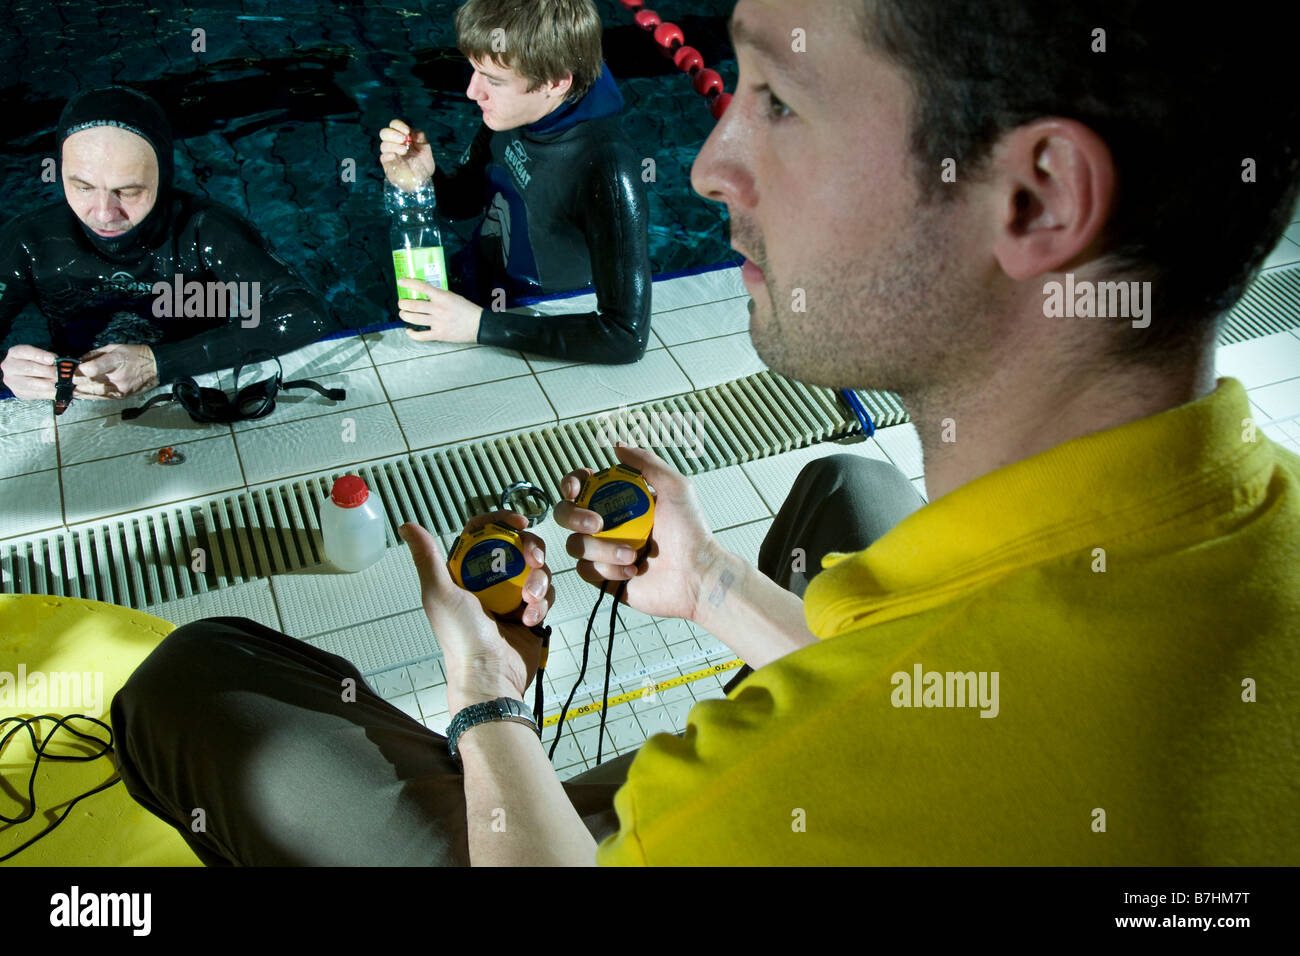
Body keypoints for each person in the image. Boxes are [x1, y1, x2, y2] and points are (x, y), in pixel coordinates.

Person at [110, 0, 1300, 865]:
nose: (709, 162)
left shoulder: (790, 802)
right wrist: (713, 582)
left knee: (194, 680)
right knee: (846, 484)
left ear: (1035, 197)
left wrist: (483, 692)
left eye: (778, 101)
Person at [0, 86, 338, 405]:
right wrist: (7, 370)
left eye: (128, 191)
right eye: (83, 187)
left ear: (163, 178)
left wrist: (158, 364)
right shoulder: (30, 242)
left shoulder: (205, 231)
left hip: (194, 381)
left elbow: (304, 312)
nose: (103, 214)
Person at [376, 0, 653, 364]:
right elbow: (464, 203)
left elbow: (625, 336)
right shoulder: (517, 112)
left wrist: (479, 326)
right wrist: (425, 177)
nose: (472, 91)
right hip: (476, 282)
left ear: (556, 82)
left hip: (538, 318)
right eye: (475, 71)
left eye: (493, 80)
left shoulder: (606, 169)